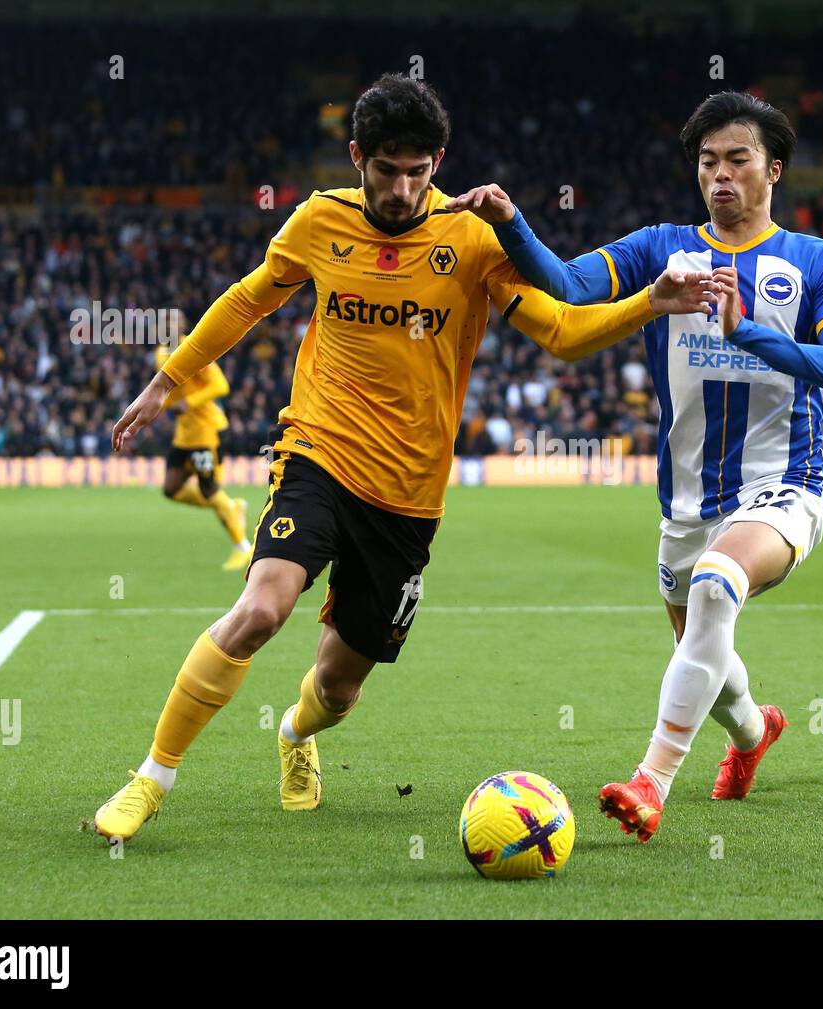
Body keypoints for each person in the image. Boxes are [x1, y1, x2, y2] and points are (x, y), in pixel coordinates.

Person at [93, 73, 715, 842]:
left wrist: (649, 302)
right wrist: (166, 380)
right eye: (387, 169)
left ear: (438, 161)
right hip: (317, 450)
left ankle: (294, 734)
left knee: (338, 686)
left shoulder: (473, 238)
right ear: (357, 157)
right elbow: (252, 296)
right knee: (261, 607)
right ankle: (152, 777)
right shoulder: (320, 221)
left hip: (410, 494)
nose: (402, 186)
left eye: (418, 171)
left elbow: (561, 331)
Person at [450, 91, 823, 841]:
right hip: (686, 502)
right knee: (703, 649)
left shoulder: (817, 260)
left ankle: (652, 779)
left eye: (738, 159)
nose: (721, 175)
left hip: (785, 487)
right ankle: (753, 735)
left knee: (715, 588)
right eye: (708, 161)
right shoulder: (661, 248)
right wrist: (510, 222)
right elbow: (571, 286)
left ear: (775, 168)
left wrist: (749, 335)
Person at [154, 321, 252, 572]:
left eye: (171, 323)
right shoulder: (161, 353)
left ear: (181, 326)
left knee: (209, 490)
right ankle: (231, 507)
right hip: (183, 435)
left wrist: (190, 402)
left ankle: (243, 546)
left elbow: (221, 386)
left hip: (206, 433)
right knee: (171, 489)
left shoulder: (195, 349)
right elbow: (168, 391)